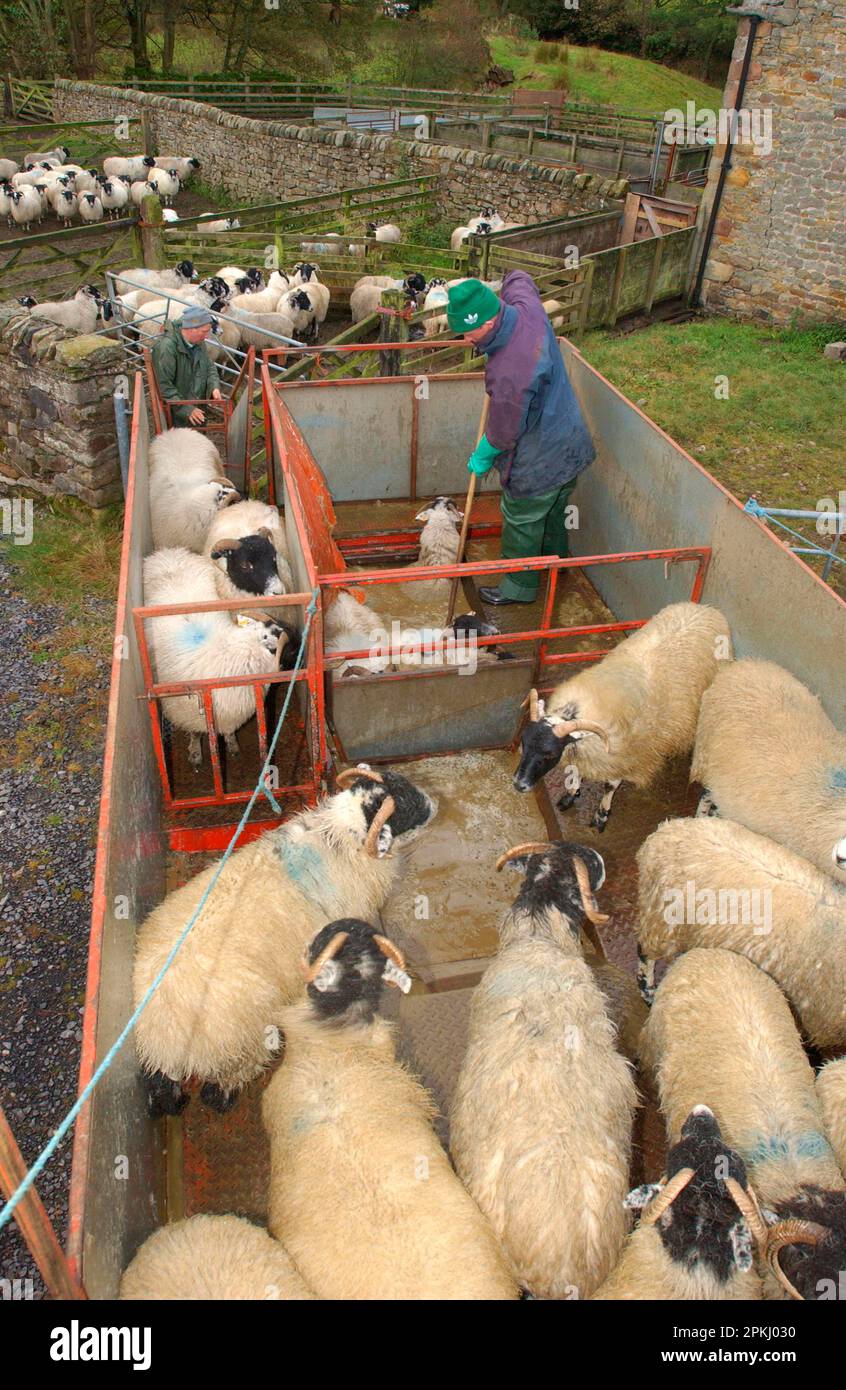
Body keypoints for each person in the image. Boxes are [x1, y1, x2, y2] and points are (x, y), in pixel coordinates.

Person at [446, 272, 595, 606]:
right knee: (555, 508)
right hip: (569, 439)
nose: (466, 340)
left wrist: (484, 453)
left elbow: (503, 432)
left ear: (484, 324)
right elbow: (519, 277)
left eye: (467, 332)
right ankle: (556, 561)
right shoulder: (525, 307)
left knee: (523, 518)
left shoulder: (510, 370)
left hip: (539, 457)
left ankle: (519, 587)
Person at [151, 304, 223, 428]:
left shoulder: (199, 342)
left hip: (198, 409)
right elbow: (164, 387)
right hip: (176, 417)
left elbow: (209, 366)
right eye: (204, 332)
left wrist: (214, 387)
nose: (207, 336)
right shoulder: (166, 348)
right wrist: (186, 410)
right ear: (191, 329)